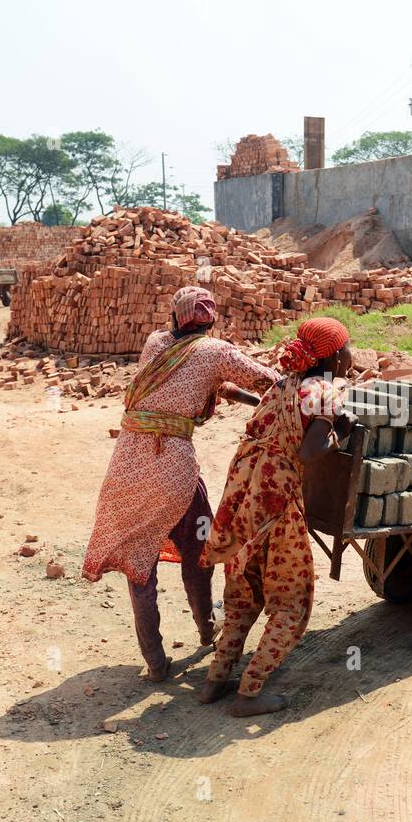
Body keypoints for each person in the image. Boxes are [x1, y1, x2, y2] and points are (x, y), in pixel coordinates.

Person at [82, 286, 279, 682]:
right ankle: (207, 628)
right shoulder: (215, 352)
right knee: (199, 549)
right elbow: (266, 380)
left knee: (140, 566)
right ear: (210, 322)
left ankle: (155, 663)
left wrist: (227, 392)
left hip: (126, 468)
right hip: (173, 470)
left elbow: (198, 383)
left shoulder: (156, 343)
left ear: (175, 317)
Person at [197, 317, 355, 717]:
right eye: (348, 348)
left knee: (244, 593)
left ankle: (215, 680)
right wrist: (338, 436)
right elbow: (308, 451)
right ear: (335, 356)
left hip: (243, 499)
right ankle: (249, 694)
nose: (351, 355)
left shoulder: (284, 385)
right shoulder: (326, 391)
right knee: (290, 600)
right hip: (277, 503)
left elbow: (282, 415)